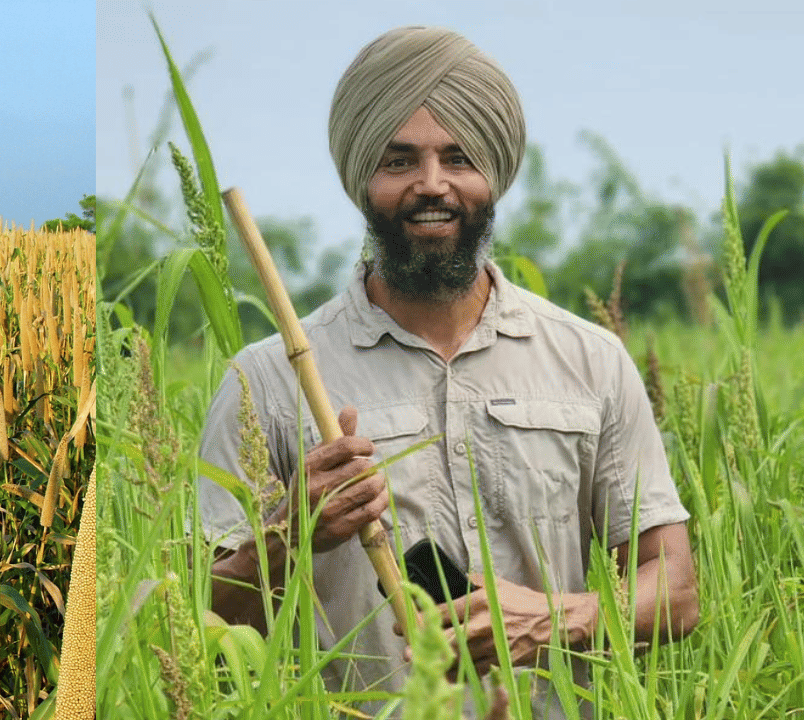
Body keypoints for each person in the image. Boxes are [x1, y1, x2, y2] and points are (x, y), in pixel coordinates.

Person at [197, 25, 699, 718]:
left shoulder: (591, 361)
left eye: (459, 158)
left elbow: (675, 591)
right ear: (361, 180)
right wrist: (288, 534)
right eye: (400, 161)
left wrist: (559, 618)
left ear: (493, 173)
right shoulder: (267, 382)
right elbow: (196, 626)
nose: (432, 186)